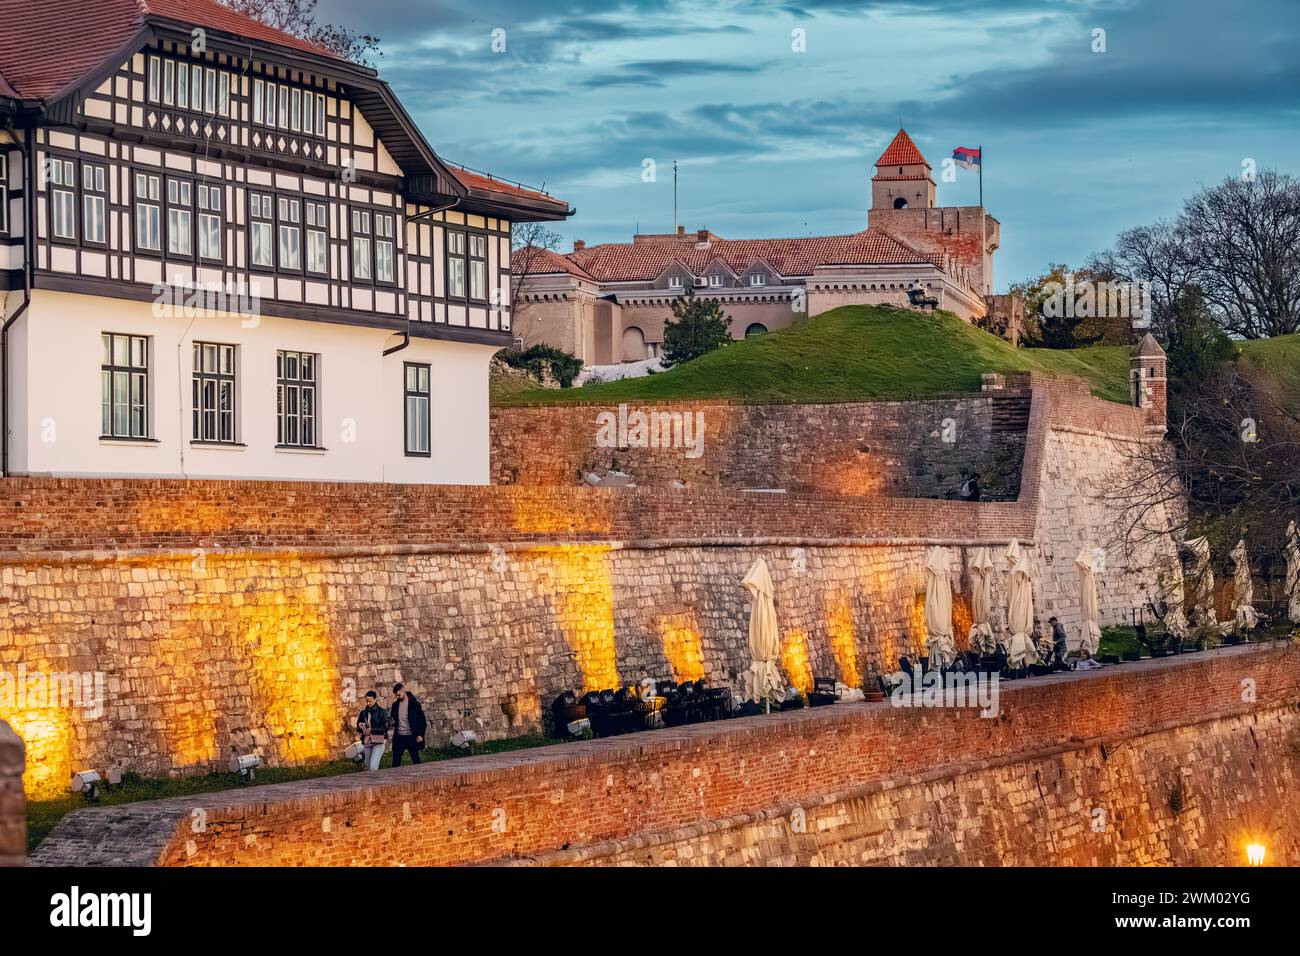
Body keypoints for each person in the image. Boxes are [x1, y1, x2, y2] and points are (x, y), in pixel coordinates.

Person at [389, 682, 427, 767]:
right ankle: (394, 778)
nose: (397, 697)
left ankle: (419, 777)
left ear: (403, 690)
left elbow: (422, 721)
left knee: (415, 759)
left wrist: (420, 734)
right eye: (396, 696)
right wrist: (391, 722)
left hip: (411, 736)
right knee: (395, 761)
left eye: (399, 695)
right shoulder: (395, 705)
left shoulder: (414, 704)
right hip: (399, 737)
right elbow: (393, 719)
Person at [356, 690, 389, 771]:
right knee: (367, 767)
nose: (368, 703)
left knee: (373, 766)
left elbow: (385, 727)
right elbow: (358, 727)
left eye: (370, 701)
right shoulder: (363, 713)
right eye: (366, 701)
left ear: (375, 699)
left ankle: (377, 783)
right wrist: (360, 726)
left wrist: (372, 730)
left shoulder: (382, 711)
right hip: (367, 741)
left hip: (379, 740)